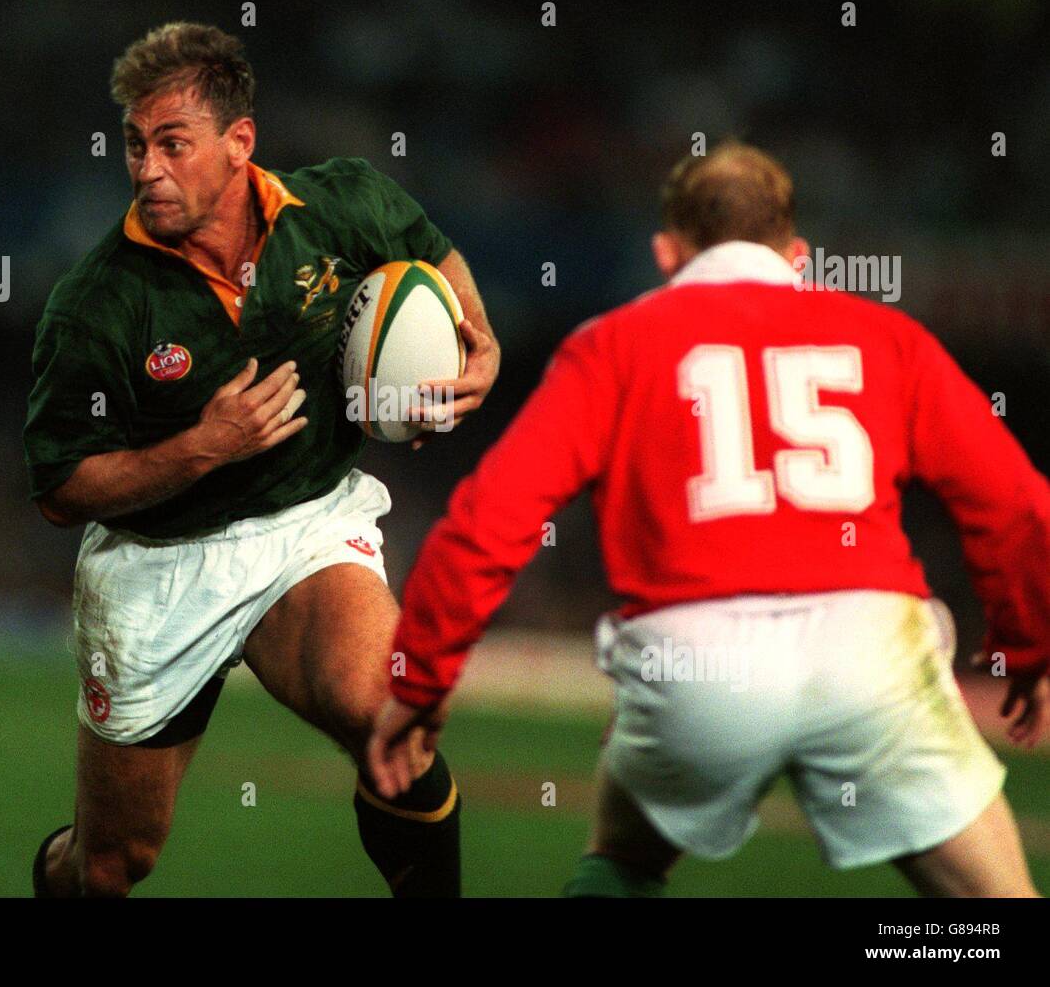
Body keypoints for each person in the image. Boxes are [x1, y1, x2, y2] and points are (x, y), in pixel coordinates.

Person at [368, 141, 1050, 897]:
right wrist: (1026, 646)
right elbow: (1018, 505)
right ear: (797, 255)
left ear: (667, 251)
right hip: (871, 651)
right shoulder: (888, 337)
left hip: (695, 660)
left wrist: (420, 679)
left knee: (624, 858)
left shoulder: (612, 347)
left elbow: (485, 524)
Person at [24, 21, 499, 897]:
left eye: (172, 144)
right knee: (110, 864)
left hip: (305, 525)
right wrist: (201, 447)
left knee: (393, 719)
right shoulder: (95, 304)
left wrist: (481, 347)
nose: (146, 168)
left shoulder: (343, 204)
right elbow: (59, 487)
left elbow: (433, 257)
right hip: (157, 568)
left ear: (239, 142)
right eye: (135, 145)